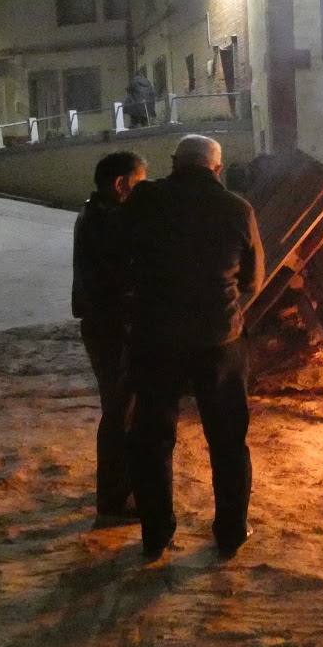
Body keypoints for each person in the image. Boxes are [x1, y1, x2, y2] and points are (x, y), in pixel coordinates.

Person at [124, 134, 263, 562]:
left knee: (153, 438)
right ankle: (230, 534)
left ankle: (156, 534)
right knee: (227, 441)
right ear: (216, 169)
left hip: (156, 339)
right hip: (218, 341)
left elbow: (124, 256)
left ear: (173, 162)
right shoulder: (237, 209)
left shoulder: (145, 200)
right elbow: (253, 281)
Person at [73, 151, 148, 529]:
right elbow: (126, 279)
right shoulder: (110, 224)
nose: (143, 190)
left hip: (104, 325)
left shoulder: (94, 214)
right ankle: (117, 500)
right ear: (121, 184)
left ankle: (117, 492)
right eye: (140, 182)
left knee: (120, 409)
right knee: (122, 412)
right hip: (113, 328)